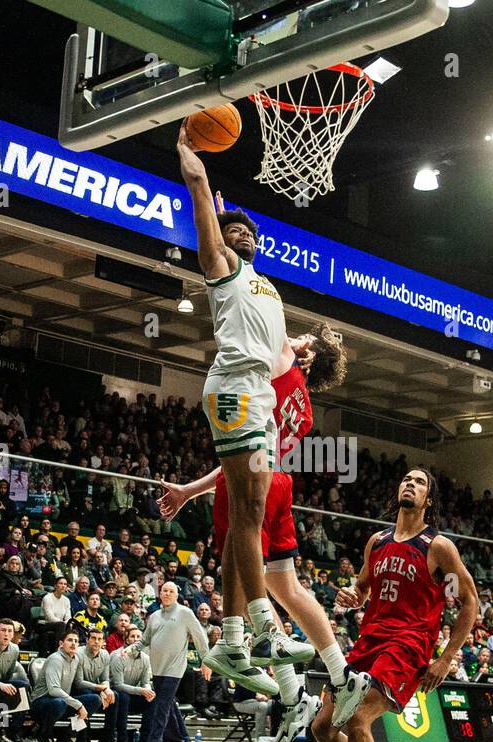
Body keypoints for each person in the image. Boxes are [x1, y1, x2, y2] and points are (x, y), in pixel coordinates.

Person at [160, 322, 349, 742]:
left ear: (310, 355)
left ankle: (248, 656)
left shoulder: (282, 359)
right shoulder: (306, 411)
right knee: (287, 586)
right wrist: (191, 491)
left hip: (251, 483)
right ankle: (334, 675)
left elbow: (260, 311)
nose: (296, 337)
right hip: (279, 482)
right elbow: (248, 455)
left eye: (306, 339)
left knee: (247, 581)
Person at [177, 125, 302, 694]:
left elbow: (275, 348)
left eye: (246, 231)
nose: (240, 236)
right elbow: (201, 193)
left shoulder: (263, 285)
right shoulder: (221, 268)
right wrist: (190, 155)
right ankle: (263, 630)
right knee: (250, 513)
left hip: (256, 393)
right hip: (234, 391)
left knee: (241, 516)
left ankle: (229, 641)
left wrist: (300, 348)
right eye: (232, 232)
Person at [310, 469, 478, 742]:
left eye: (419, 482)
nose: (410, 484)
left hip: (407, 646)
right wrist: (353, 593)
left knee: (357, 718)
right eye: (405, 479)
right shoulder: (378, 541)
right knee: (321, 726)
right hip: (370, 640)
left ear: (428, 500)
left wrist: (447, 657)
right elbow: (364, 586)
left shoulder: (438, 548)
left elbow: (469, 602)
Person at [132, 580, 208, 742]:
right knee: (168, 707)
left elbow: (200, 637)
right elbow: (145, 640)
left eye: (171, 591)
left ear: (176, 595)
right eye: (164, 590)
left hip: (175, 669)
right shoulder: (155, 616)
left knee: (161, 707)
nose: (167, 594)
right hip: (158, 668)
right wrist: (131, 649)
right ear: (160, 594)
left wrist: (207, 660)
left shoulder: (185, 613)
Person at [30, 625, 97, 742]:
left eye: (76, 641)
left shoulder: (76, 659)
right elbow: (53, 690)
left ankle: (66, 737)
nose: (73, 644)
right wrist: (78, 705)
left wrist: (101, 689)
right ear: (61, 643)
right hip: (41, 703)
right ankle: (42, 736)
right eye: (70, 640)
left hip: (62, 702)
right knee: (59, 703)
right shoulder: (56, 659)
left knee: (94, 699)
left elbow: (79, 683)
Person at [106, 626, 153, 742]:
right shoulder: (118, 656)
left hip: (131, 694)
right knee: (124, 697)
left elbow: (145, 682)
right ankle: (122, 740)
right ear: (126, 639)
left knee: (152, 700)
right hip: (113, 696)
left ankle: (145, 740)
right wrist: (141, 690)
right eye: (133, 636)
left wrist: (147, 690)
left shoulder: (146, 658)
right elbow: (118, 685)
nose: (136, 639)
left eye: (139, 637)